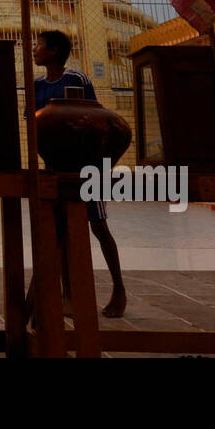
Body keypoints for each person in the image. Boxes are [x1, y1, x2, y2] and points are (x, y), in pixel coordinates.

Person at [33, 29, 127, 318]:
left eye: (38, 45)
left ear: (54, 51)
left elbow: (94, 117)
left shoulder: (76, 80)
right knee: (59, 231)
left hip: (86, 168)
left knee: (98, 227)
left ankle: (119, 289)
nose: (34, 49)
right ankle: (68, 295)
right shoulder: (36, 85)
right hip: (55, 168)